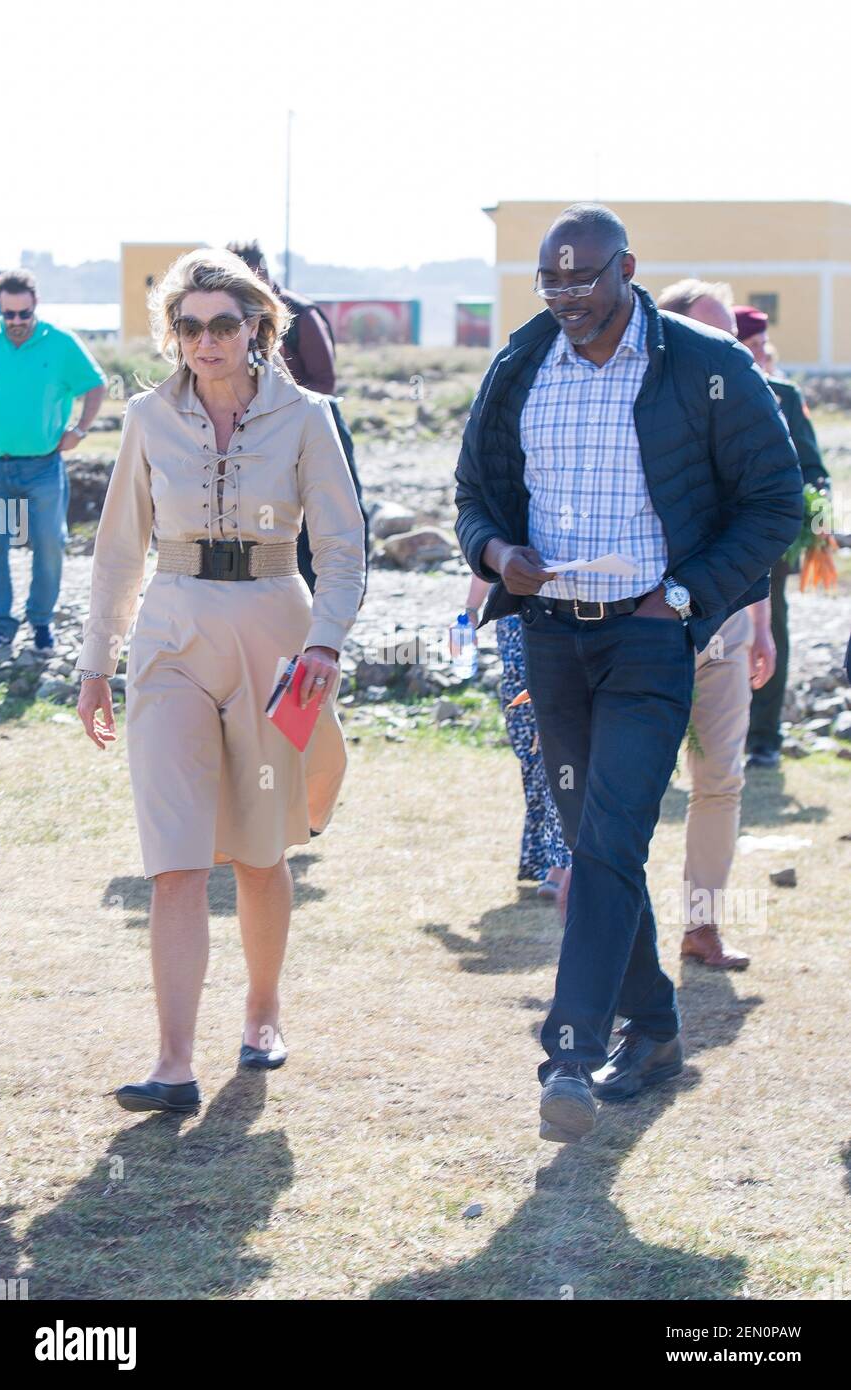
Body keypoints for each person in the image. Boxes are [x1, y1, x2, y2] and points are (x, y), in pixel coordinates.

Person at [454, 203, 802, 1144]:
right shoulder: (520, 365)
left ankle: (568, 1049)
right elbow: (474, 499)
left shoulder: (705, 364)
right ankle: (650, 1029)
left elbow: (775, 507)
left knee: (607, 839)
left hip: (654, 635)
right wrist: (498, 556)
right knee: (591, 837)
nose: (568, 296)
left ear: (628, 270)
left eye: (585, 279)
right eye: (552, 281)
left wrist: (686, 596)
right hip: (552, 635)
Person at [74, 249, 366, 1114]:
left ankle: (264, 1010)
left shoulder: (309, 417)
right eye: (188, 326)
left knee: (258, 848)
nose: (204, 341)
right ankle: (171, 1062)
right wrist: (95, 662)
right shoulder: (144, 418)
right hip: (170, 635)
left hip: (279, 633)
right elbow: (120, 550)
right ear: (174, 334)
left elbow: (345, 548)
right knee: (174, 857)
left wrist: (325, 644)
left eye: (223, 325)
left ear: (256, 330)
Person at [655, 280, 775, 971]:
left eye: (734, 335)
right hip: (648, 630)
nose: (731, 349)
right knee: (634, 785)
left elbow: (757, 527)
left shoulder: (748, 414)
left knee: (721, 780)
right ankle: (619, 934)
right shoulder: (640, 412)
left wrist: (760, 625)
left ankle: (702, 926)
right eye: (715, 334)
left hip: (728, 626)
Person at [227, 240, 369, 598]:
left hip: (316, 428)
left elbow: (325, 383)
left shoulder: (301, 314)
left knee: (326, 524)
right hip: (250, 434)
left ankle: (331, 610)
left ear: (262, 274)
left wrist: (280, 411)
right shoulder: (225, 321)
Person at [0, 268, 106, 651]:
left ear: (35, 305)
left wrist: (80, 430)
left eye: (24, 313)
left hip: (42, 468)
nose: (17, 322)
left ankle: (41, 622)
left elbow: (97, 385)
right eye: (9, 314)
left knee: (49, 543)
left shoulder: (60, 343)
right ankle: (0, 623)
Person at [734, 305, 830, 768]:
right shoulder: (715, 392)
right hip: (717, 541)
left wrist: (816, 515)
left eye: (760, 347)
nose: (759, 355)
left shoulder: (786, 396)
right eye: (749, 347)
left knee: (770, 631)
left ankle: (765, 738)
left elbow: (814, 470)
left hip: (773, 544)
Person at [457, 575, 572, 904]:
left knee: (555, 744)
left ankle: (560, 865)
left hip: (560, 617)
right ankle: (542, 856)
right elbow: (488, 553)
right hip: (513, 623)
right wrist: (471, 609)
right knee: (531, 754)